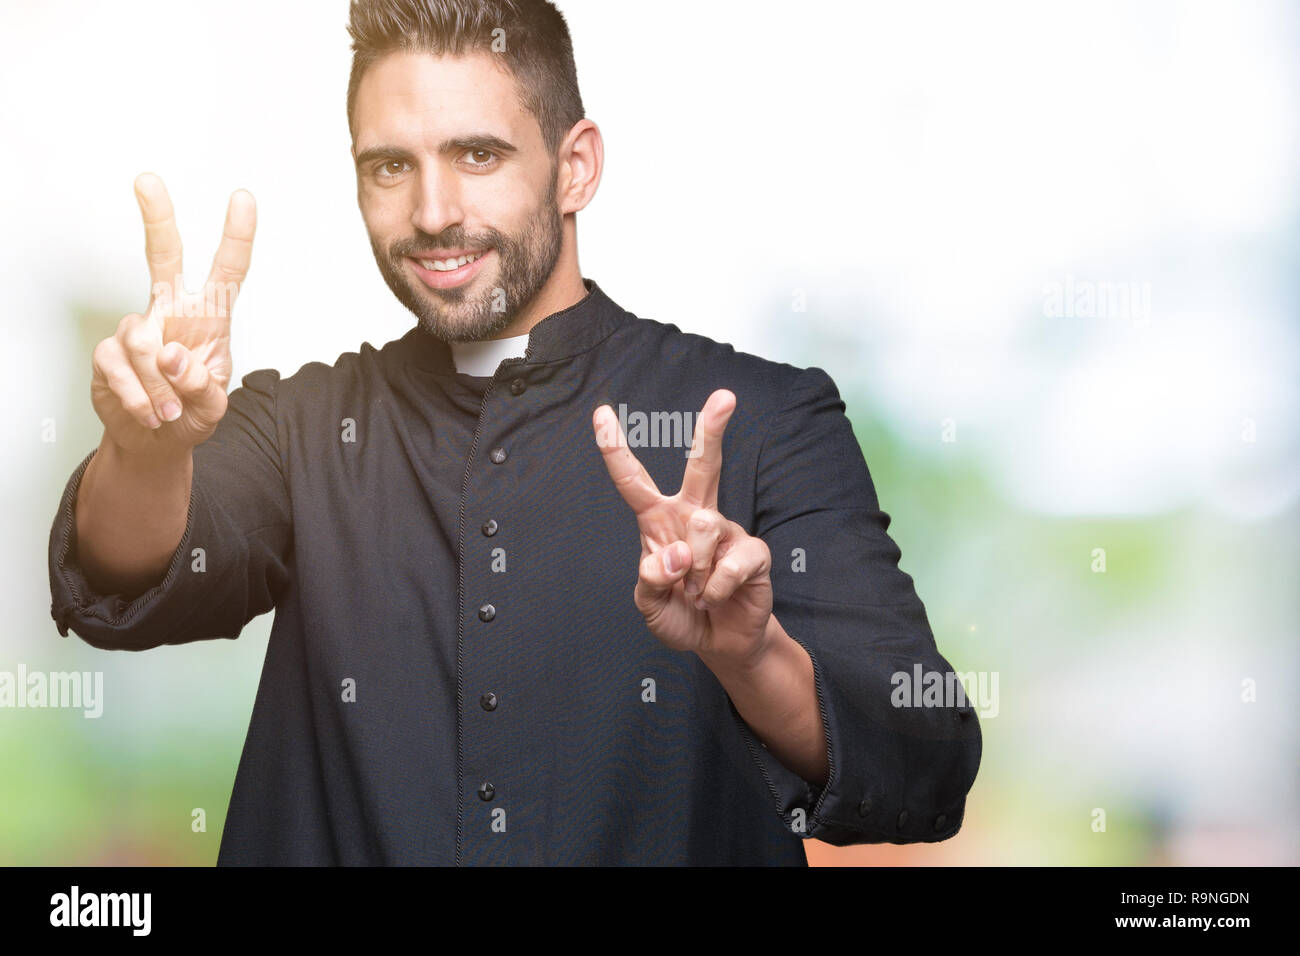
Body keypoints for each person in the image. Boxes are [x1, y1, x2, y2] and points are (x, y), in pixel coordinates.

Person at [47, 0, 981, 865]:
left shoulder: (769, 418)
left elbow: (926, 758)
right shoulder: (302, 426)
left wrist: (752, 654)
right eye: (390, 166)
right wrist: (146, 445)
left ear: (575, 167)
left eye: (479, 155)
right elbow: (131, 580)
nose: (434, 211)